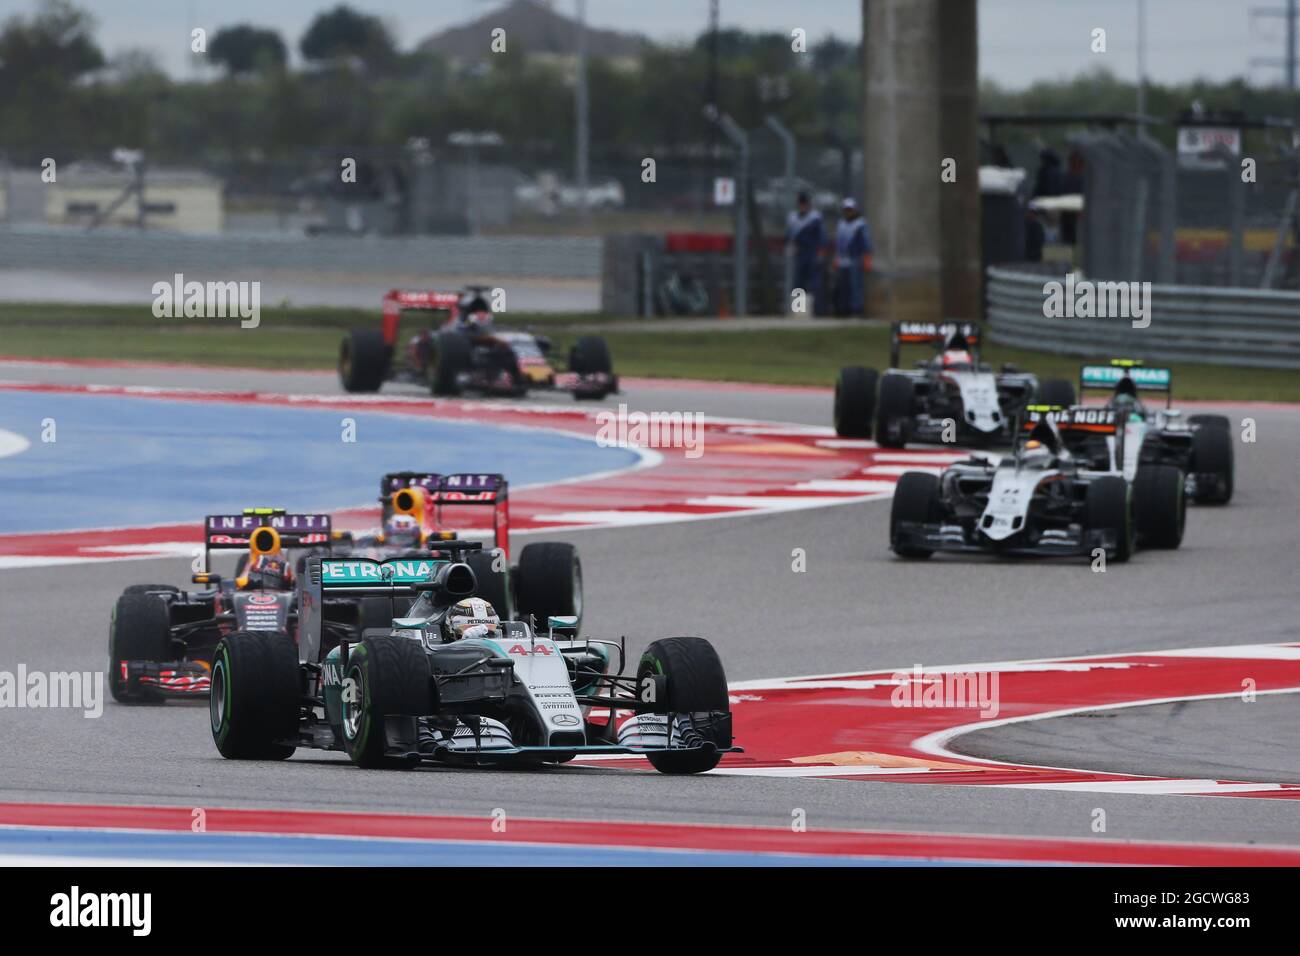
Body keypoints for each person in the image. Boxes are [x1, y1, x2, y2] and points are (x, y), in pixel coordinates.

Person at [785, 191, 824, 311]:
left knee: (814, 282)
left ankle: (816, 310)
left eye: (805, 204)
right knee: (798, 282)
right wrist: (790, 245)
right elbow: (789, 236)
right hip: (800, 253)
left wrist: (820, 251)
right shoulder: (793, 218)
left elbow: (821, 237)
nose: (803, 207)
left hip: (812, 252)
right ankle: (798, 309)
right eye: (801, 204)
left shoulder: (815, 218)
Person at [833, 198, 873, 317]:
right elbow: (838, 243)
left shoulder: (860, 224)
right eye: (846, 210)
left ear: (855, 210)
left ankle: (857, 309)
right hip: (843, 259)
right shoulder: (841, 224)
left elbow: (866, 242)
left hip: (855, 258)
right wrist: (836, 258)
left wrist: (867, 257)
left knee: (856, 285)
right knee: (843, 286)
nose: (848, 212)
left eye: (850, 210)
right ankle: (843, 309)